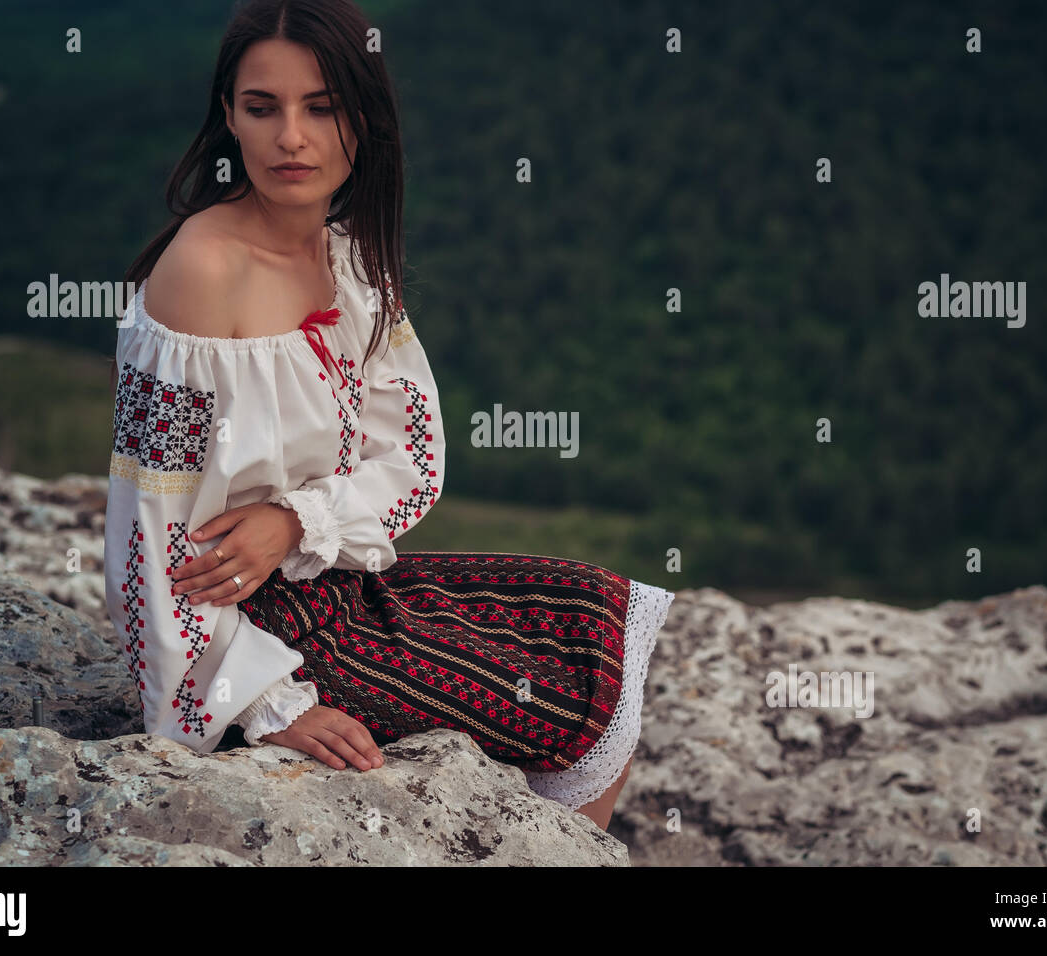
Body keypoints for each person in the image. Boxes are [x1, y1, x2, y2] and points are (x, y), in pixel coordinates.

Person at [104, 0, 674, 832]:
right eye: (262, 108)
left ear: (362, 120)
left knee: (590, 619)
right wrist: (267, 705)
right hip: (242, 629)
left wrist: (293, 521)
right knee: (561, 703)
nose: (290, 138)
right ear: (228, 117)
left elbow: (409, 461)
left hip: (325, 579)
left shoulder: (345, 255)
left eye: (321, 107)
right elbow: (141, 543)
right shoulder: (201, 272)